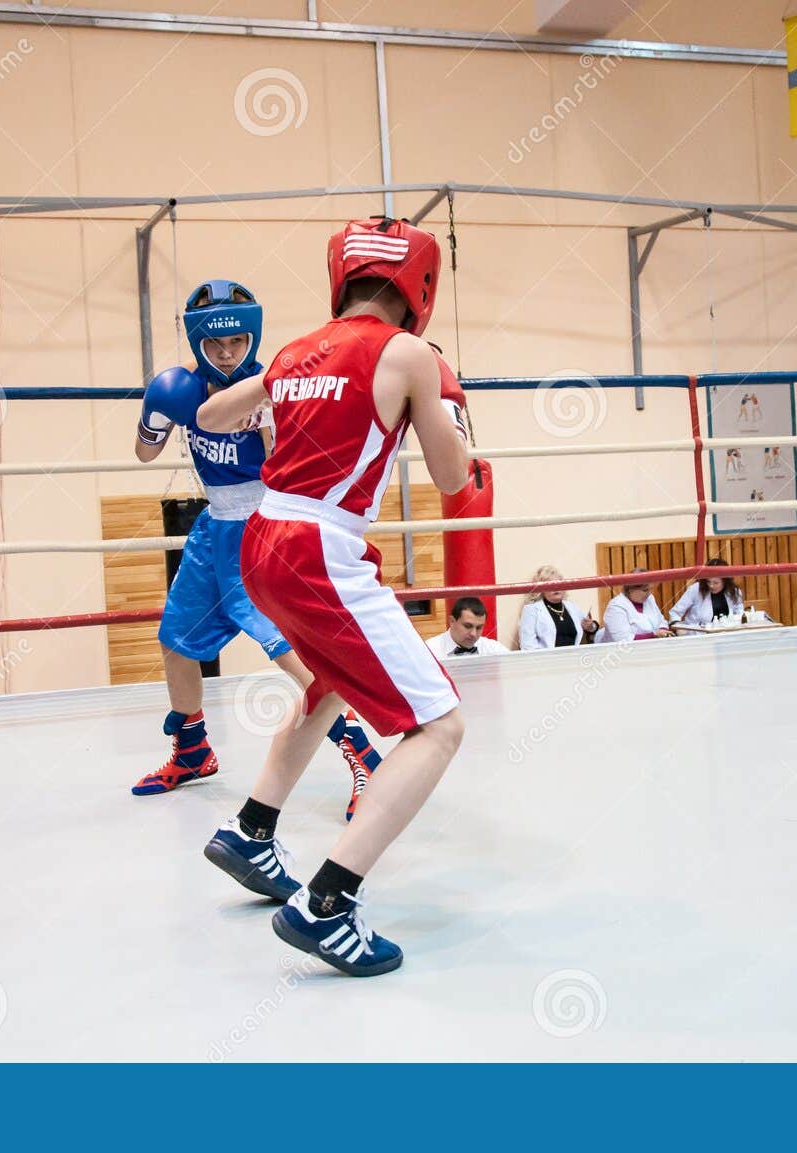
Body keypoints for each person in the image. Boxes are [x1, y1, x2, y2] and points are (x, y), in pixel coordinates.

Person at [195, 216, 469, 977]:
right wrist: (452, 415)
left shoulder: (294, 351)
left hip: (262, 537)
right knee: (438, 725)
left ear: (342, 279)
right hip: (320, 547)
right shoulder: (409, 353)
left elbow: (213, 414)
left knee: (326, 688)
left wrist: (267, 404)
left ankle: (251, 830)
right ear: (418, 287)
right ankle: (329, 901)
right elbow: (454, 481)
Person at [131, 279, 381, 821]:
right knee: (177, 639)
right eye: (216, 345)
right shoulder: (179, 389)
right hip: (212, 526)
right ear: (198, 344)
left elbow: (291, 470)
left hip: (263, 526)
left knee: (295, 656)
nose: (227, 354)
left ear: (253, 337)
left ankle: (368, 760)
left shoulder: (277, 387)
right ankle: (192, 750)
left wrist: (270, 427)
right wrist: (155, 414)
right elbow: (145, 455)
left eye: (238, 342)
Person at [516, 565, 599, 650]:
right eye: (550, 585)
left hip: (574, 658)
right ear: (541, 589)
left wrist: (591, 626)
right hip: (547, 660)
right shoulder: (531, 610)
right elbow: (527, 645)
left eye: (559, 584)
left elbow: (592, 626)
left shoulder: (571, 607)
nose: (556, 588)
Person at [668, 557, 745, 628]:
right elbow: (675, 612)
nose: (711, 586)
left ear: (725, 581)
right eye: (708, 582)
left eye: (716, 583)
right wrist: (678, 627)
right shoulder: (695, 589)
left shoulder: (734, 591)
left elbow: (739, 613)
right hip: (698, 636)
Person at [427, 596, 509, 658]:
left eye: (479, 627)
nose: (473, 634)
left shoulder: (495, 649)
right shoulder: (430, 651)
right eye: (467, 626)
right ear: (452, 621)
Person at [602, 570, 671, 641]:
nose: (649, 593)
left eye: (651, 589)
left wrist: (663, 631)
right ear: (631, 589)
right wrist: (654, 635)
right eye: (645, 590)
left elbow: (661, 621)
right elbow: (623, 640)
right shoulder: (616, 606)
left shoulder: (650, 598)